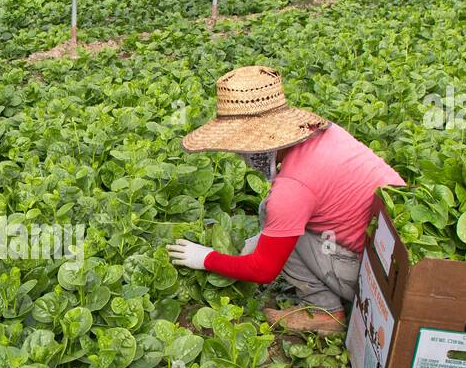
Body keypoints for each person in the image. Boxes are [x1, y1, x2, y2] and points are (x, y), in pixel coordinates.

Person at [166, 66, 404, 335]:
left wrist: (206, 258)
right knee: (275, 219)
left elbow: (263, 271)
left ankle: (323, 312)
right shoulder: (322, 132)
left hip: (376, 284)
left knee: (272, 214)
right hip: (394, 263)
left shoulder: (292, 190)